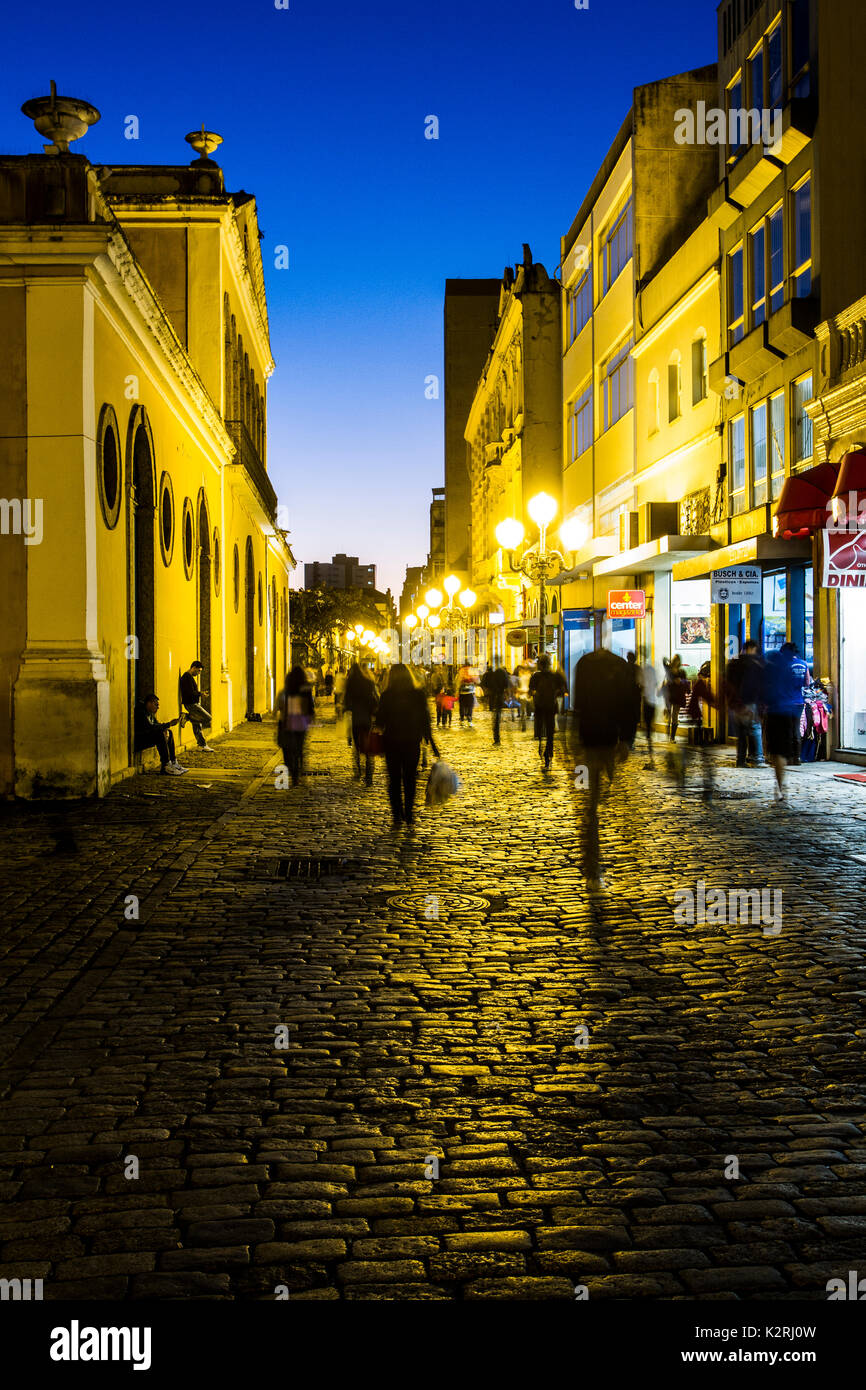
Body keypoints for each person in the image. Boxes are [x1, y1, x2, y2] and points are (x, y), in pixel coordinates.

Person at [572, 647, 639, 888]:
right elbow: (631, 706)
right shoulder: (620, 667)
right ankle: (600, 864)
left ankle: (592, 868)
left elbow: (578, 706)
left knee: (588, 805)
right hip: (609, 741)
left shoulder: (585, 664)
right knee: (596, 802)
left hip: (588, 742)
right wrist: (626, 741)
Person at [376, 663, 440, 827]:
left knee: (395, 780)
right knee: (410, 778)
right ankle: (409, 813)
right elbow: (425, 719)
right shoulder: (417, 694)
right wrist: (430, 741)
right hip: (412, 741)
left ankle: (397, 815)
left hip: (392, 741)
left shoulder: (387, 695)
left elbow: (380, 720)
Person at [764, 641, 810, 801]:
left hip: (776, 710)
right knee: (796, 730)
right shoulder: (803, 664)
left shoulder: (775, 665)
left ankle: (780, 783)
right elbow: (807, 683)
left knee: (776, 750)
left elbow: (766, 687)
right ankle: (796, 757)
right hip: (796, 704)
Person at [726, 639, 765, 768]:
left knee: (741, 733)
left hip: (735, 704)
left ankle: (740, 760)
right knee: (755, 728)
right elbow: (757, 685)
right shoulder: (755, 664)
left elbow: (727, 684)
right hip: (749, 702)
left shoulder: (733, 663)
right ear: (752, 649)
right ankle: (758, 758)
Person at [276, 666, 315, 786]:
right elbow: (311, 706)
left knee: (287, 749)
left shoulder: (285, 691)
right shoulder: (306, 691)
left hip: (287, 723)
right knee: (299, 748)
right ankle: (298, 772)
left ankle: (293, 771)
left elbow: (279, 705)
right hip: (301, 723)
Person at [528, 655, 568, 769]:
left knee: (540, 727)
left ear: (540, 664)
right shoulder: (555, 676)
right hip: (551, 706)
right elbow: (564, 691)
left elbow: (530, 690)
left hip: (540, 706)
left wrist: (534, 694)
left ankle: (541, 744)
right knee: (550, 731)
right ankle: (548, 750)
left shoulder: (536, 676)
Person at [344, 660, 379, 785]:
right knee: (368, 746)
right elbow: (375, 700)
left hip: (356, 719)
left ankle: (358, 770)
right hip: (366, 719)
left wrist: (347, 709)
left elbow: (347, 703)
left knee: (357, 746)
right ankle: (369, 775)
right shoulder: (369, 683)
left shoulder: (350, 684)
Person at [134, 694, 185, 775]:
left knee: (169, 732)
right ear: (149, 703)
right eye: (156, 704)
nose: (158, 707)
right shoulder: (141, 712)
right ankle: (166, 765)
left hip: (147, 736)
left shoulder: (150, 713)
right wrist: (169, 724)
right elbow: (150, 727)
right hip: (140, 740)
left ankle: (173, 761)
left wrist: (165, 729)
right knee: (160, 734)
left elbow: (157, 725)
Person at [179, 661, 214, 750]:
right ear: (193, 667)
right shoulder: (187, 677)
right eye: (198, 671)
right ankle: (187, 717)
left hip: (192, 703)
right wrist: (200, 694)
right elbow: (190, 693)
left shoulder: (189, 677)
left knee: (197, 725)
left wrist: (200, 693)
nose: (198, 673)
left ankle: (202, 745)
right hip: (191, 704)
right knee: (208, 718)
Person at [637, 658, 659, 768]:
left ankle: (650, 757)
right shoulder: (652, 670)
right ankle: (650, 752)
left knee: (648, 728)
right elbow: (655, 684)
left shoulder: (643, 671)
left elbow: (641, 685)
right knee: (649, 728)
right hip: (653, 701)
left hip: (647, 701)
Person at [662, 654, 688, 742]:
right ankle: (668, 734)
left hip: (678, 696)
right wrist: (670, 662)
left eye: (678, 660)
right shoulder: (669, 669)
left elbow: (686, 681)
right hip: (669, 695)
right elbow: (664, 659)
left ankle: (672, 737)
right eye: (675, 659)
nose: (676, 661)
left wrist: (681, 681)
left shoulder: (681, 671)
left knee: (675, 715)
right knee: (670, 715)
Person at [487, 665, 512, 744]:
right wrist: (507, 696)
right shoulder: (503, 674)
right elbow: (507, 686)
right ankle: (499, 737)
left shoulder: (492, 675)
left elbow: (487, 684)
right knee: (498, 716)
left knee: (496, 718)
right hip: (500, 697)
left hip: (493, 697)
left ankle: (496, 737)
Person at [514, 660, 534, 731]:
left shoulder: (529, 675)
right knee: (523, 711)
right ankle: (523, 726)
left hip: (526, 694)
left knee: (526, 710)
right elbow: (517, 685)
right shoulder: (521, 676)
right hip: (523, 694)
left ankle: (524, 726)